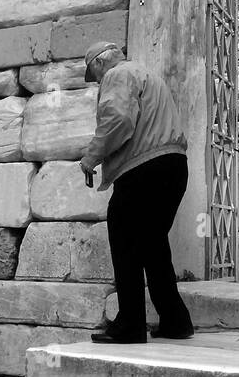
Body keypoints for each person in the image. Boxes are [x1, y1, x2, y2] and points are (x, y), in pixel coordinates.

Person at [79, 41, 194, 344]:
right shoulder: (145, 74)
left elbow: (117, 119)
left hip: (144, 169)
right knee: (153, 245)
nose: (96, 83)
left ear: (99, 64)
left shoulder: (117, 76)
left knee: (126, 241)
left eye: (93, 75)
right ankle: (175, 321)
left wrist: (91, 158)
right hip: (173, 165)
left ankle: (129, 325)